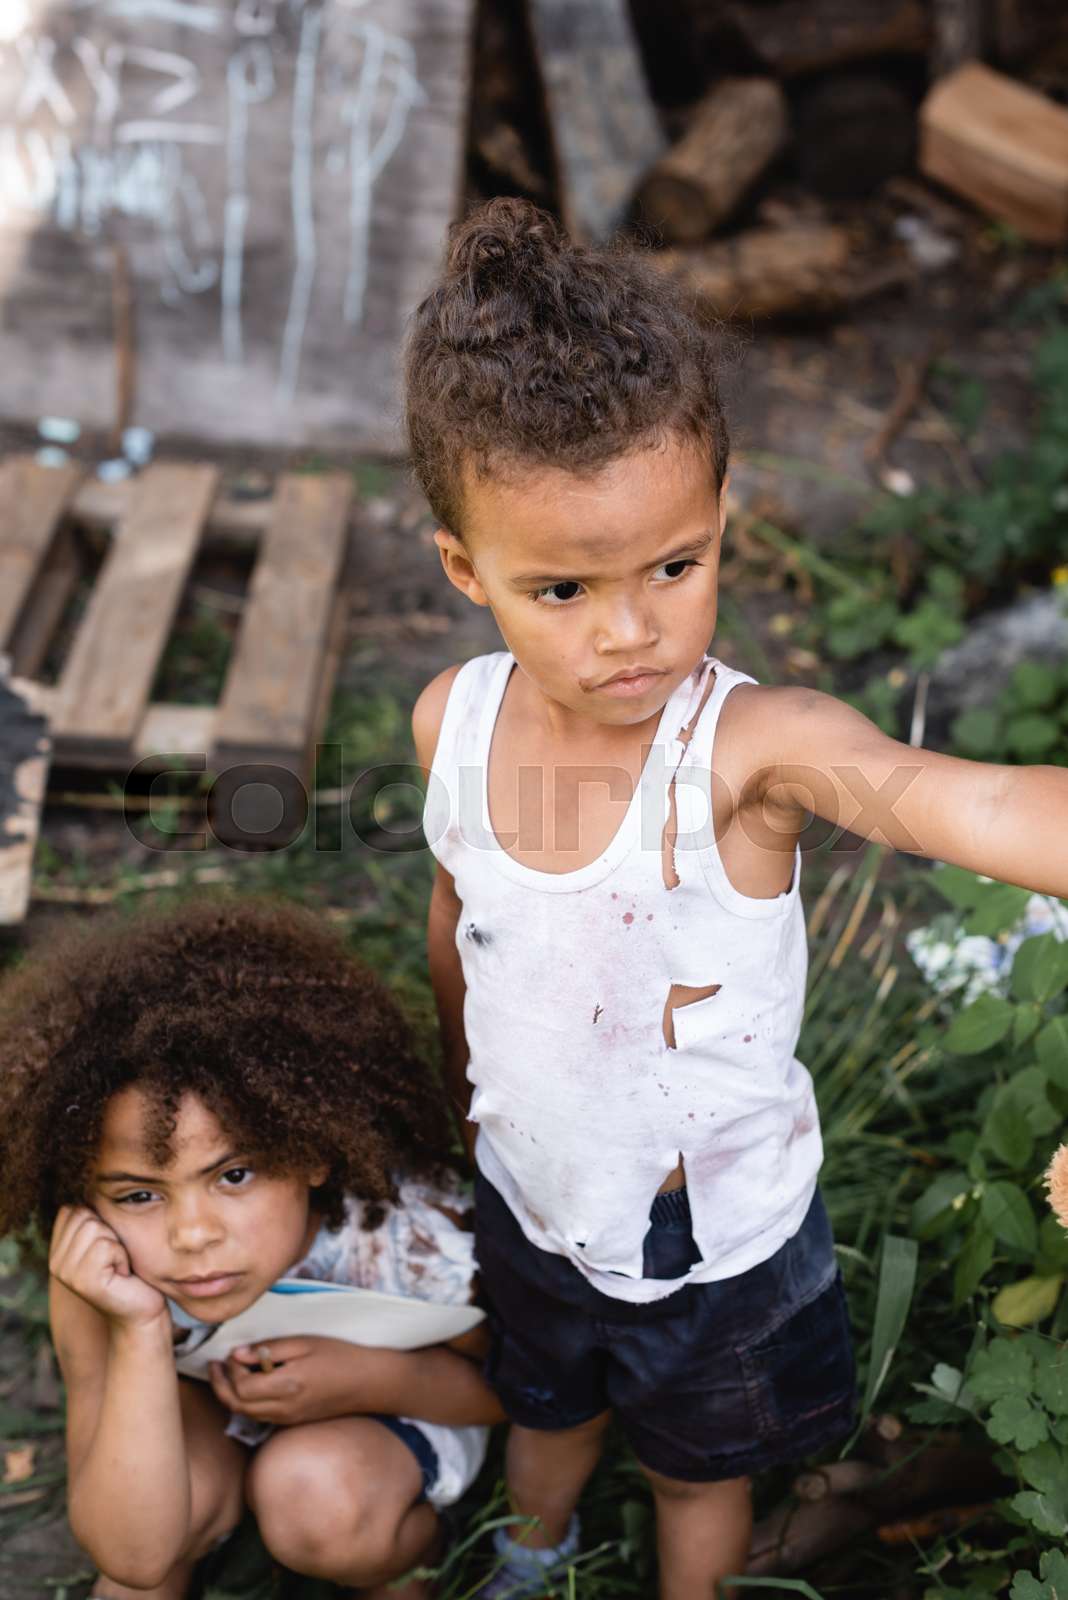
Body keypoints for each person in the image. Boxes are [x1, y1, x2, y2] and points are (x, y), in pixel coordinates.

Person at [405, 197, 1068, 1599]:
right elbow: (462, 921)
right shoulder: (449, 723)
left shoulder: (752, 754)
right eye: (563, 588)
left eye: (674, 565)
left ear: (722, 514)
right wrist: (466, 1088)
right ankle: (532, 1546)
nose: (630, 630)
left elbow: (981, 804)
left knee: (699, 1469)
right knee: (544, 1401)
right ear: (465, 568)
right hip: (529, 1189)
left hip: (712, 1243)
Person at [0, 896, 503, 1600]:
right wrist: (139, 1331)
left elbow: (528, 1397)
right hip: (201, 1412)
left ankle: (405, 1560)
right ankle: (213, 1509)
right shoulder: (101, 1274)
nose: (192, 1234)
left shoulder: (420, 1242)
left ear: (310, 1150)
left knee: (314, 1498)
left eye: (234, 1176)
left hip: (378, 1429)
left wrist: (370, 1379)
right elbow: (133, 1559)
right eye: (139, 1194)